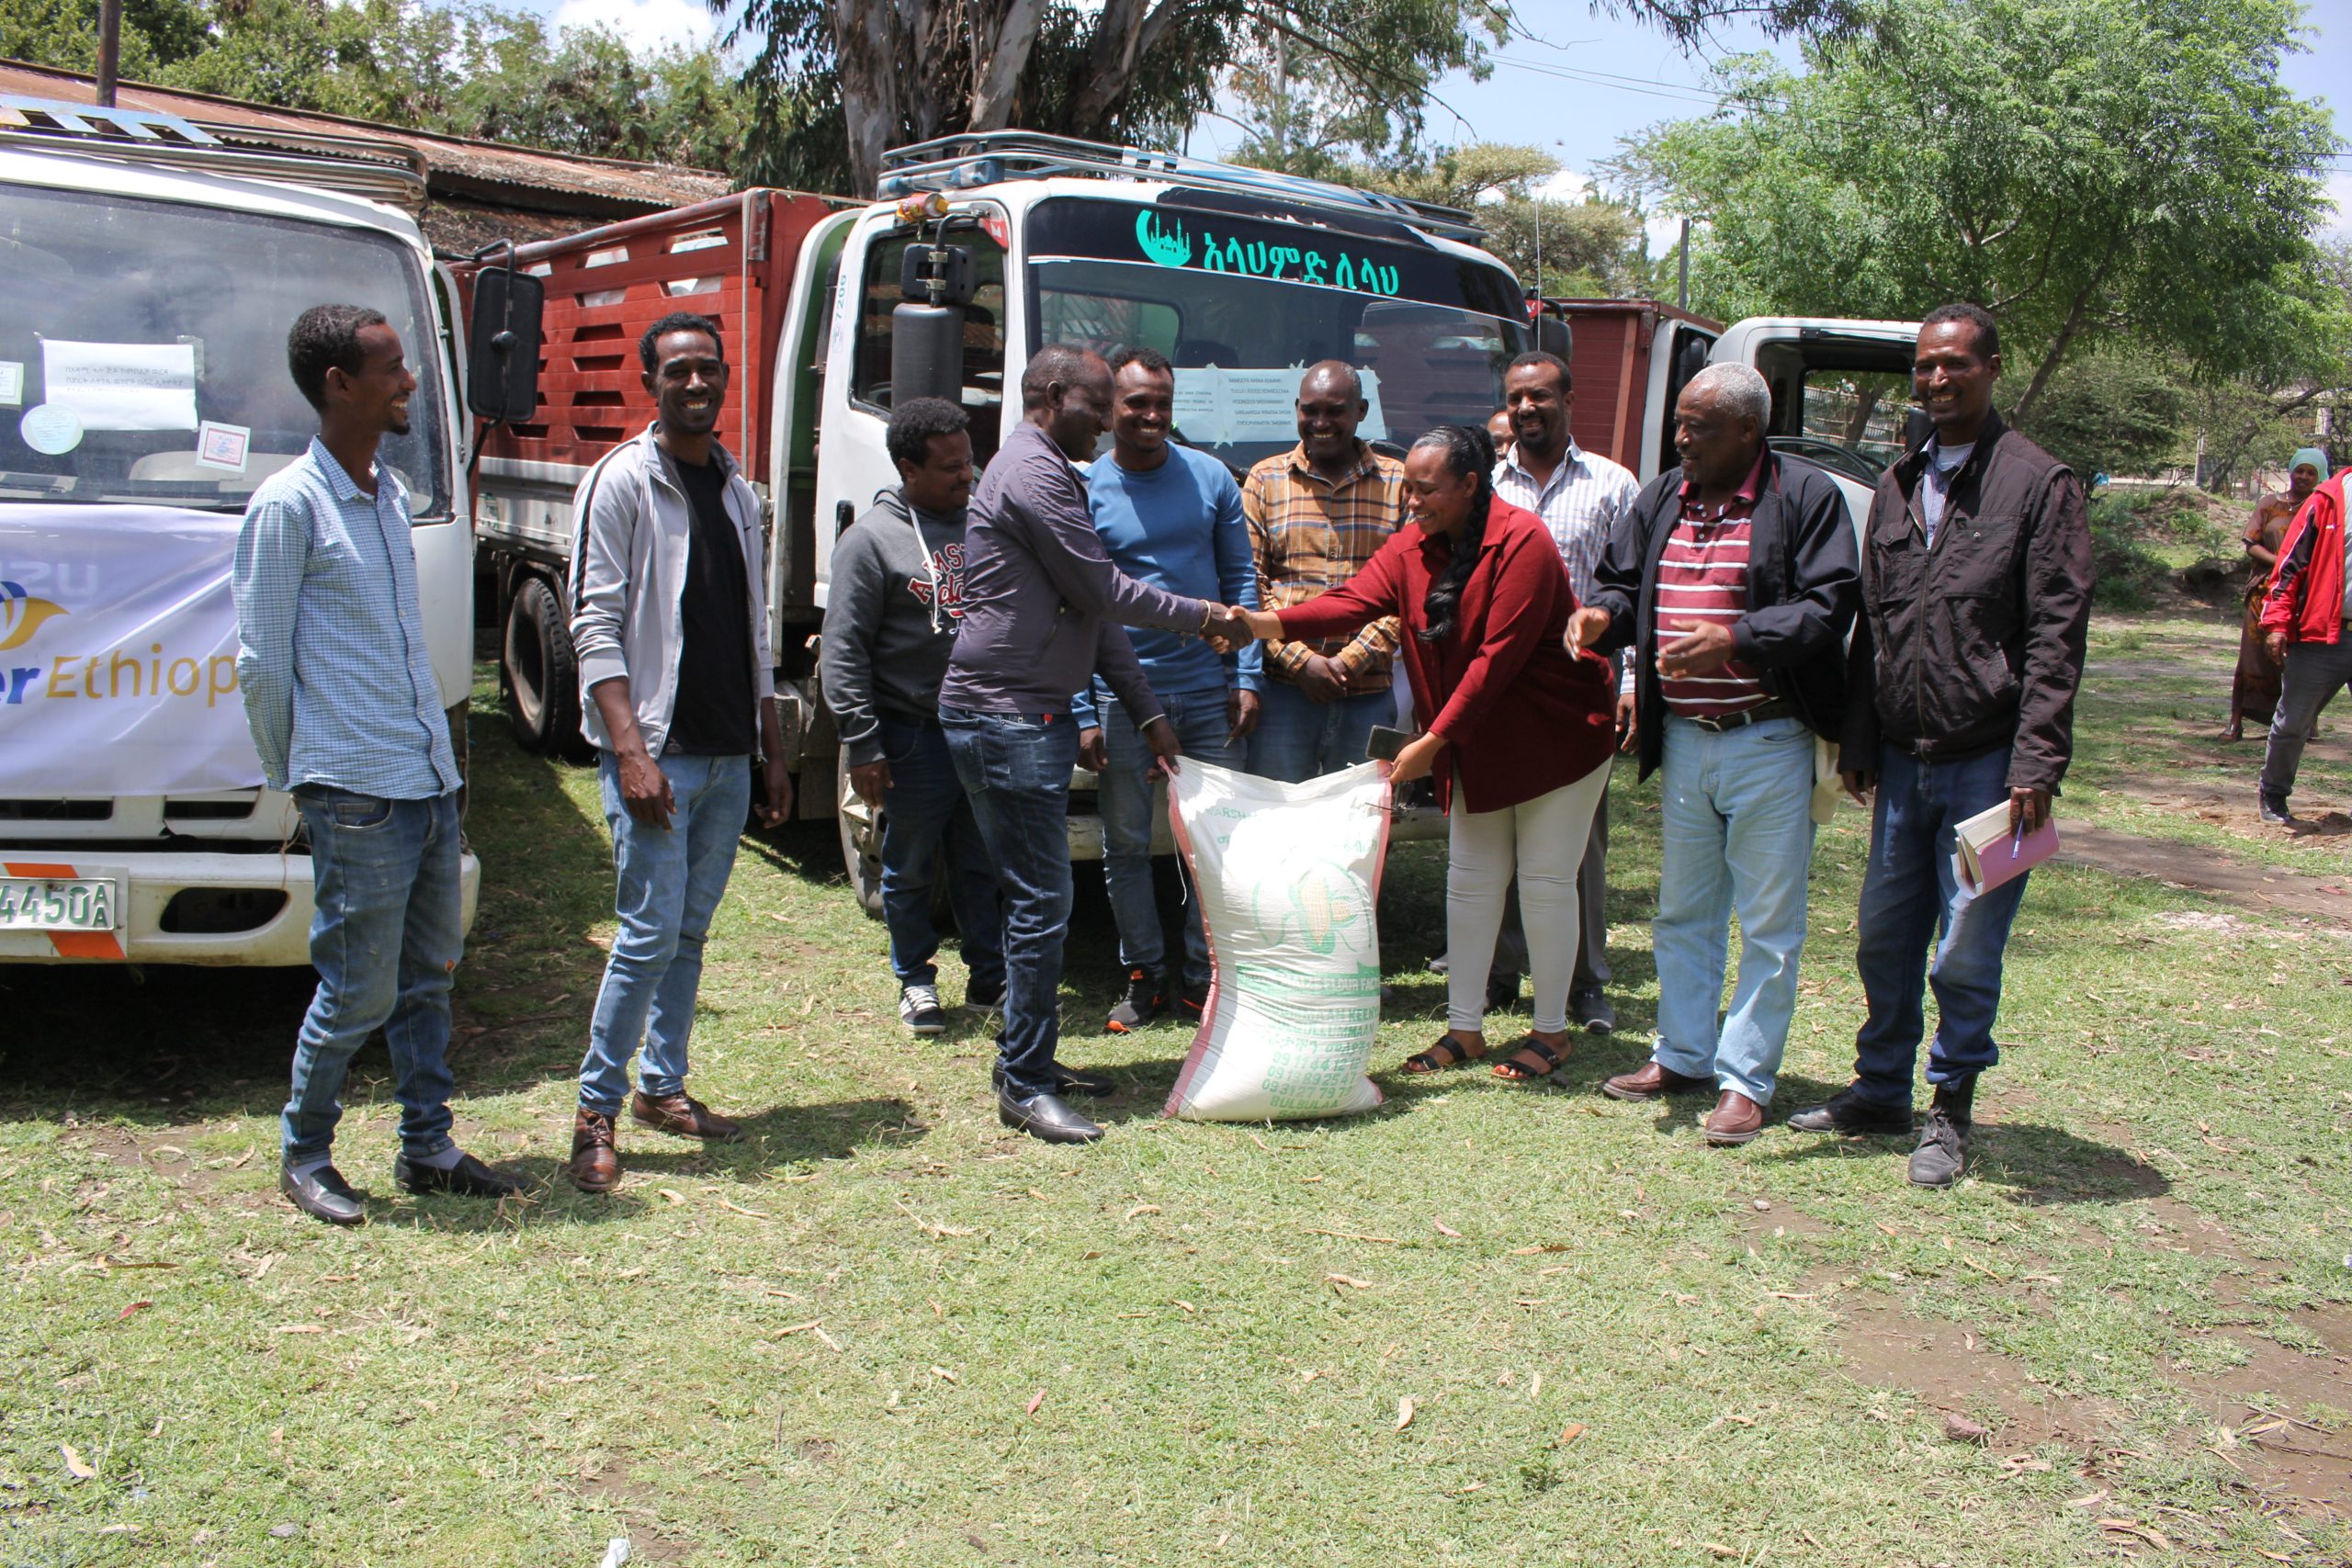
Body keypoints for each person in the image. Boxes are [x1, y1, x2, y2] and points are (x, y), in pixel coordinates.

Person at [1790, 302, 2092, 1188]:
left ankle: (1950, 1107)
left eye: (1956, 363)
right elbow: (1874, 626)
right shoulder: (1896, 482)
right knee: (1885, 937)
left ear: (1992, 368)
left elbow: (2056, 637)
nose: (1937, 378)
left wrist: (2038, 762)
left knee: (1963, 949)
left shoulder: (2039, 484)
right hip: (1901, 758)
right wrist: (1858, 735)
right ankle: (1880, 1088)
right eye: (1925, 365)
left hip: (1990, 763)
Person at [233, 303, 520, 1225]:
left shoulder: (389, 494)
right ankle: (306, 1153)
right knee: (358, 988)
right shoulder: (290, 505)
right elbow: (261, 663)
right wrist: (297, 774)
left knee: (430, 974)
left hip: (426, 779)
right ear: (339, 385)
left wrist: (441, 763)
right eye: (392, 367)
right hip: (355, 790)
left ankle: (427, 1146)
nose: (409, 382)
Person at [1220, 425, 1618, 1082]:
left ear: (1470, 485)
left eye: (1426, 489)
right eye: (1408, 487)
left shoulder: (1523, 541)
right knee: (1470, 880)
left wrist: (1432, 742)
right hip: (1478, 735)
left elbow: (1495, 662)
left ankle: (1551, 1031)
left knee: (1544, 882)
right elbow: (1353, 600)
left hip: (1558, 737)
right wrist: (1267, 623)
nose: (1411, 501)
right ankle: (1465, 1028)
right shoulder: (1414, 544)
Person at [937, 344, 1250, 1145]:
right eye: (1098, 402)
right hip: (1007, 716)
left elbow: (1095, 614)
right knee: (1042, 903)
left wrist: (1145, 714)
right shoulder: (1033, 472)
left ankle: (1029, 1058)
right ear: (1051, 394)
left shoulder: (1052, 472)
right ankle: (1024, 1081)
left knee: (1038, 901)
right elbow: (1107, 590)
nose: (1110, 420)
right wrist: (1206, 616)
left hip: (1020, 714)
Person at [1568, 364, 1859, 1145]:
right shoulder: (1665, 494)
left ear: (1748, 431)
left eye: (1698, 427)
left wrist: (1734, 638)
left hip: (1769, 736)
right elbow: (1623, 581)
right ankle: (1683, 1054)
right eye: (1680, 424)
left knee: (1768, 921)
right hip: (1689, 738)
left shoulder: (1804, 497)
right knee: (1684, 911)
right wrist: (1601, 618)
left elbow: (1827, 607)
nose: (1681, 439)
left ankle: (1744, 1081)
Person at [563, 311, 794, 1193]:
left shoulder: (737, 490)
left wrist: (772, 748)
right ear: (650, 384)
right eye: (678, 371)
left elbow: (755, 631)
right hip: (657, 753)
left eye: (710, 369)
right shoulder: (621, 481)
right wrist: (630, 750)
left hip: (728, 753)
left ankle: (663, 1085)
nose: (697, 383)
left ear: (726, 376)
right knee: (648, 932)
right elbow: (593, 624)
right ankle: (595, 1112)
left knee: (688, 932)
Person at [1074, 348, 1262, 1031]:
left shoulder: (1211, 476)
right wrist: (1081, 709)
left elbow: (1240, 582)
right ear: (1110, 410)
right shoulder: (1086, 487)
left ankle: (1202, 978)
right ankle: (1145, 975)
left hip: (1210, 692)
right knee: (1125, 845)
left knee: (1217, 843)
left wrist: (1247, 674)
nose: (1151, 415)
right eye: (1136, 403)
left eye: (1162, 402)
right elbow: (1079, 604)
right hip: (1122, 698)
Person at [820, 397, 1004, 1035]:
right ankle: (917, 981)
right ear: (909, 468)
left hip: (980, 730)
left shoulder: (984, 524)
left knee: (981, 861)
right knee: (910, 864)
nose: (966, 475)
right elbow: (843, 650)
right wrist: (862, 741)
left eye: (969, 461)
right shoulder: (871, 541)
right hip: (912, 733)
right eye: (951, 467)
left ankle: (989, 978)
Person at [1485, 349, 1643, 1034]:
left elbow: (1634, 589)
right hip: (1499, 688)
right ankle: (1496, 974)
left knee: (1580, 846)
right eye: (1516, 398)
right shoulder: (1486, 483)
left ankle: (1585, 982)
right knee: (1495, 836)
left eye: (1540, 396)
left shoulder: (1613, 484)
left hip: (1582, 690)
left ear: (1569, 401)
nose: (1527, 408)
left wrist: (1633, 680)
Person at [1242, 361, 1407, 784]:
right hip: (1283, 692)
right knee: (1276, 814)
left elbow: (1409, 591)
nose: (1320, 423)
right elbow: (1249, 583)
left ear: (1361, 411)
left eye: (1335, 411)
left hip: (1368, 694)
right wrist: (1301, 662)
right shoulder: (1264, 479)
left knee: (1358, 817)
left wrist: (1349, 662)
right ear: (1297, 408)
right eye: (1310, 410)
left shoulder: (1399, 483)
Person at [2256, 450, 2350, 824]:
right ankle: (2274, 794)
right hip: (2322, 634)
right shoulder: (2330, 499)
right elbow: (2289, 567)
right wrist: (2278, 623)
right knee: (2293, 721)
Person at [2228, 450, 2324, 742]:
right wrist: (2281, 562)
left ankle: (2304, 722)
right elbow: (2252, 544)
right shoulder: (2269, 503)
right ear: (2291, 471)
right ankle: (2235, 722)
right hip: (2263, 591)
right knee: (2252, 656)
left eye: (2311, 472)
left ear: (2319, 477)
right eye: (2300, 470)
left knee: (2299, 659)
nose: (2304, 477)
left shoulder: (2321, 507)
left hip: (2304, 594)